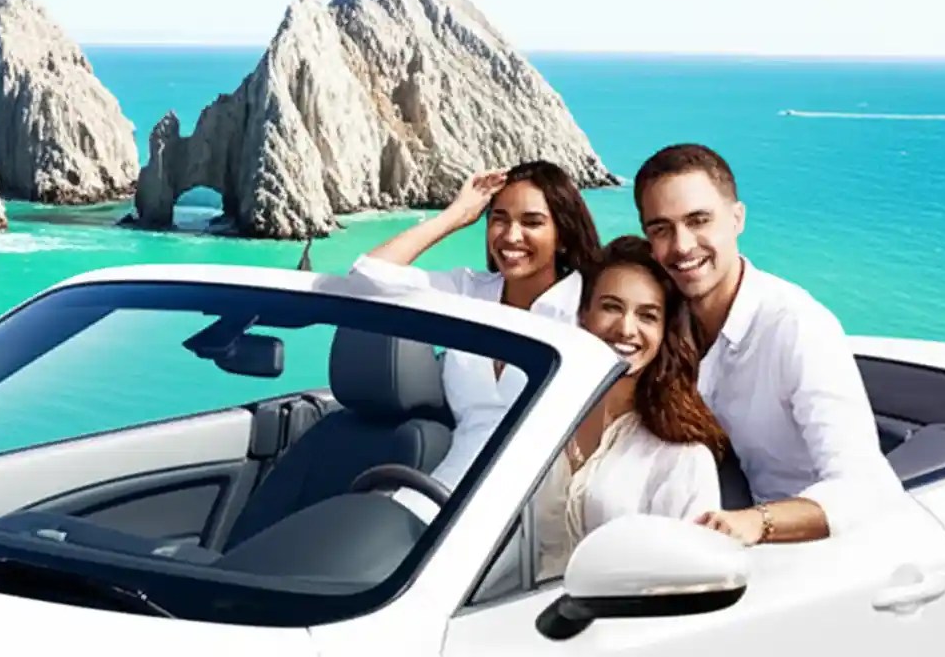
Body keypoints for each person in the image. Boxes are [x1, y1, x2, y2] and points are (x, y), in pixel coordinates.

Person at [632, 143, 903, 545]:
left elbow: (867, 487)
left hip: (813, 551)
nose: (682, 245)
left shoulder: (798, 328)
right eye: (661, 229)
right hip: (706, 538)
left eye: (699, 220)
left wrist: (756, 522)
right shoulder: (662, 322)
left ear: (737, 218)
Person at [350, 159, 602, 494]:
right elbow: (364, 278)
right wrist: (455, 216)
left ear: (563, 237)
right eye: (499, 219)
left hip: (541, 505)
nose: (511, 236)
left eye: (532, 222)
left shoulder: (589, 306)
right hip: (444, 496)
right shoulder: (468, 292)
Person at [531, 235, 726, 579]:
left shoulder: (682, 457)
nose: (626, 329)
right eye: (611, 307)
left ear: (664, 332)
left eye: (647, 316)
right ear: (583, 315)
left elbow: (688, 582)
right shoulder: (541, 420)